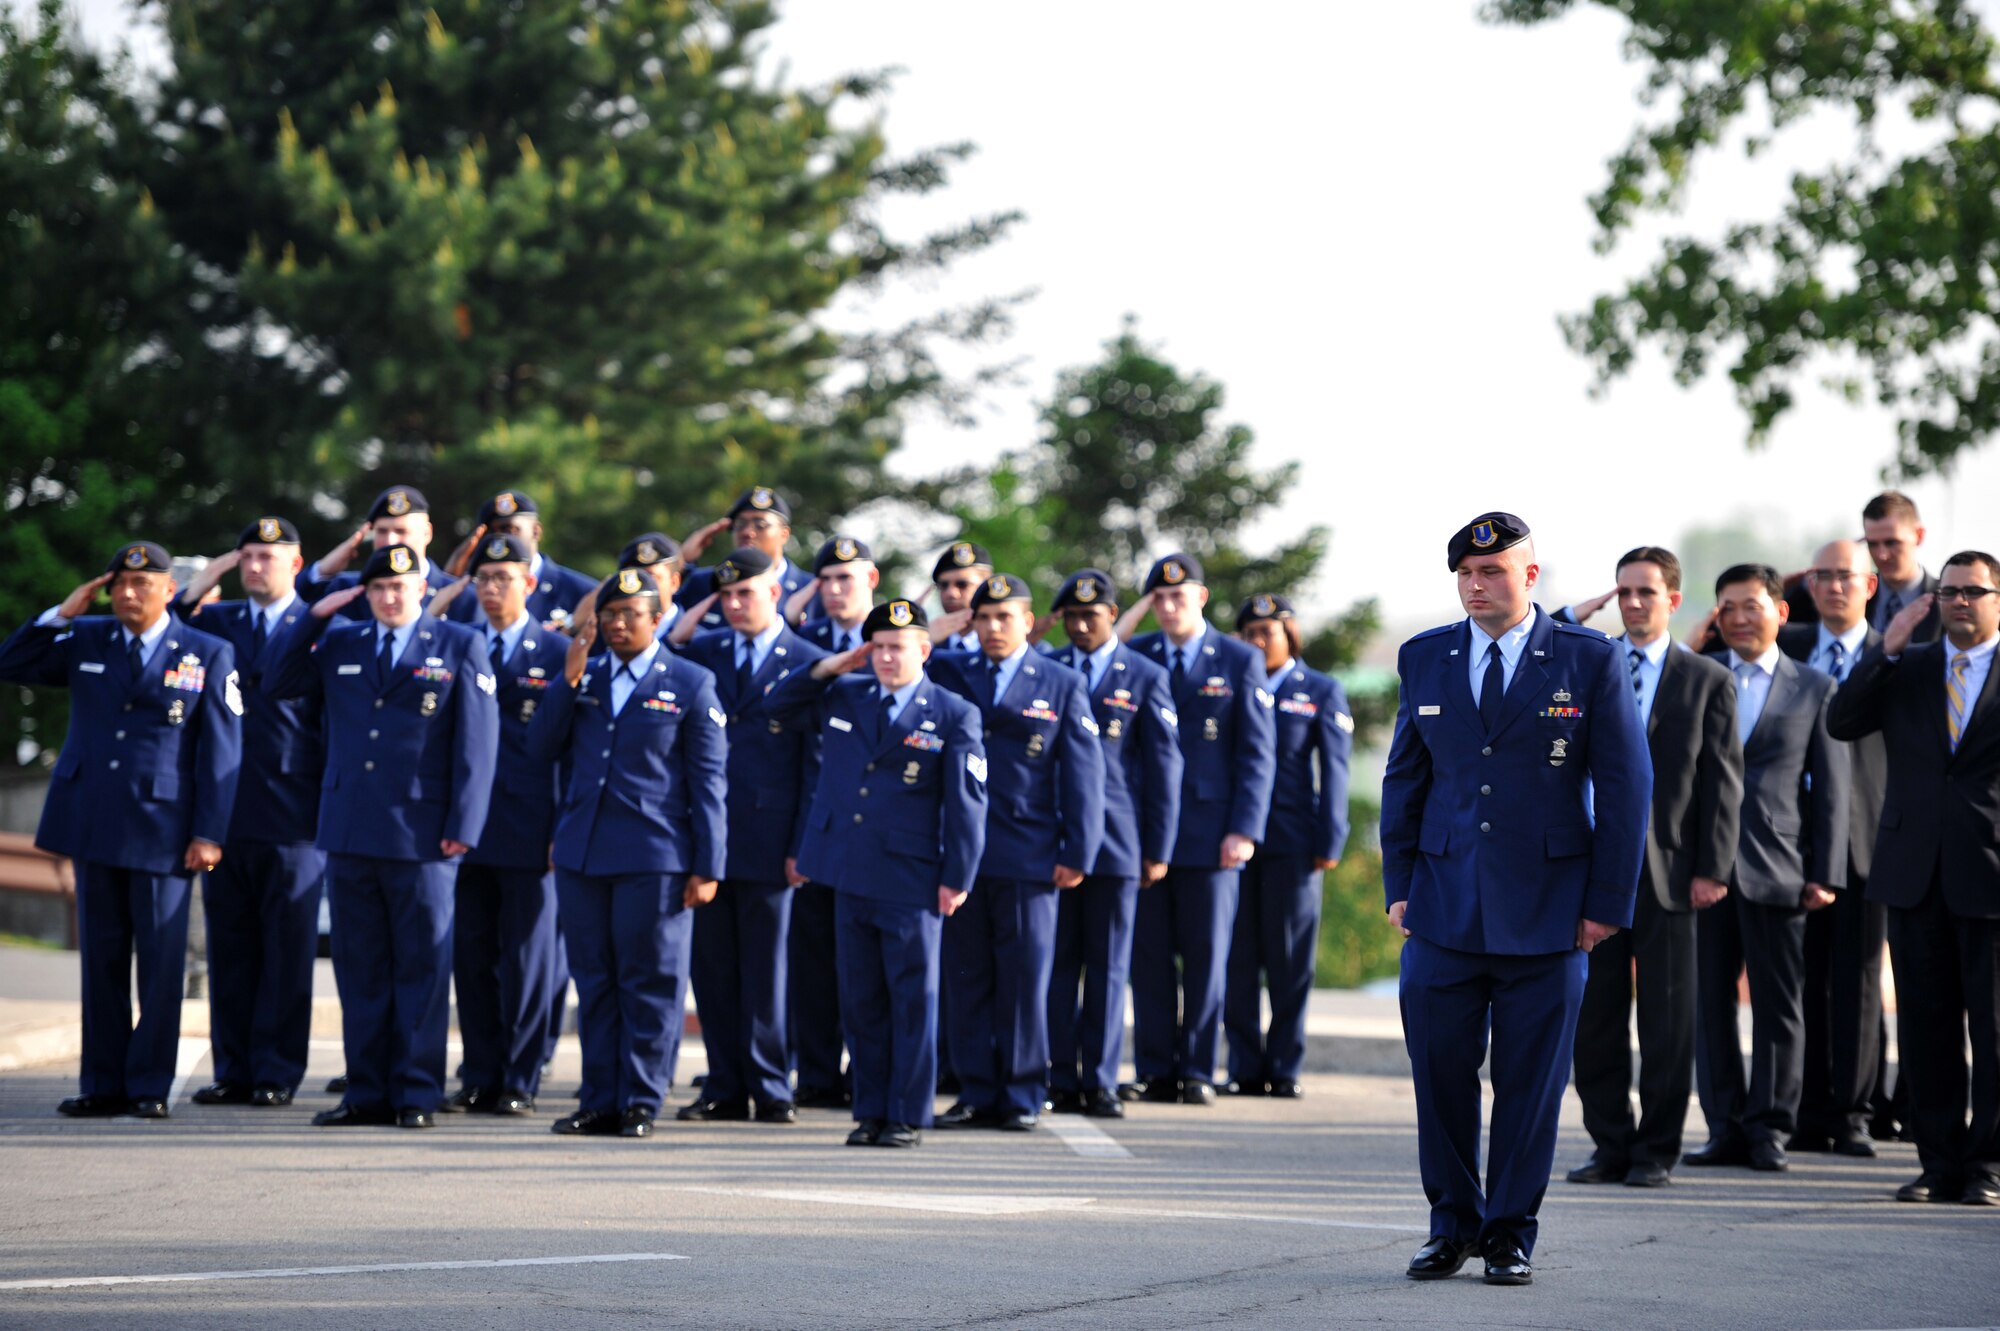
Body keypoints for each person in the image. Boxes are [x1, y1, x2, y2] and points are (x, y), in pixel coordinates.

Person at [1382, 512, 1649, 1287]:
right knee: (1439, 1074)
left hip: (1551, 910)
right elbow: (1407, 776)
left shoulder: (1586, 659)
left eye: (1493, 571)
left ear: (1530, 577)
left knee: (1530, 1087)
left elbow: (1627, 790)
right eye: (1465, 571)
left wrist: (1606, 903)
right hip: (1441, 908)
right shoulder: (1425, 656)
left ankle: (1507, 1232)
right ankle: (1450, 1223)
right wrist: (1400, 885)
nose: (1476, 584)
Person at [0, 542, 243, 1120]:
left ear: (168, 590)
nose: (129, 595)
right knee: (102, 961)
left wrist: (208, 832)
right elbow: (10, 663)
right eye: (120, 585)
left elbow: (220, 750)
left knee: (160, 965)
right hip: (93, 822)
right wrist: (63, 612)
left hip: (164, 829)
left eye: (142, 584)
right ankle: (102, 1083)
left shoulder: (207, 652)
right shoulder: (87, 638)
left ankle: (149, 1084)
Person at [259, 543, 500, 1128]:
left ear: (421, 588)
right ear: (364, 595)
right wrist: (315, 613)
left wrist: (463, 828)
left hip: (424, 837)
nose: (390, 597)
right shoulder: (342, 641)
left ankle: (415, 1093)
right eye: (378, 589)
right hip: (350, 830)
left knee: (420, 969)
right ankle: (365, 1091)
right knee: (360, 970)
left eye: (400, 587)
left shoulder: (458, 644)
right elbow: (276, 680)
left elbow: (478, 744)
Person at [765, 598, 987, 1148]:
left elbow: (968, 803)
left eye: (898, 648)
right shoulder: (845, 694)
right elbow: (776, 707)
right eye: (879, 648)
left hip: (912, 877)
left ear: (924, 651)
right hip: (848, 869)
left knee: (910, 999)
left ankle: (906, 1114)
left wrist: (957, 875)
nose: (887, 658)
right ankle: (869, 1110)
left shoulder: (953, 712)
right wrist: (827, 666)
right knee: (861, 999)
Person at [1555, 547, 1744, 1189]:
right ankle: (1610, 1144)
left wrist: (1713, 867)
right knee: (1596, 1017)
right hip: (1591, 870)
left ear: (1673, 600)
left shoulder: (1707, 679)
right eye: (1624, 591)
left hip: (1672, 873)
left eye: (1646, 592)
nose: (1633, 603)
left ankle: (1656, 1148)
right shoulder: (1587, 665)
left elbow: (1724, 783)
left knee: (1667, 1020)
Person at [525, 567, 727, 1139]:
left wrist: (708, 864)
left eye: (628, 615)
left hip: (655, 855)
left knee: (649, 981)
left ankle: (639, 1098)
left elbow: (708, 783)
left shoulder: (690, 682)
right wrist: (564, 682)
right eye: (607, 615)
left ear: (658, 619)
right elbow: (541, 747)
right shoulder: (583, 678)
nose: (615, 624)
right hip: (585, 852)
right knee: (595, 982)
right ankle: (599, 1098)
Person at [1828, 550, 2000, 1207]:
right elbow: (1842, 722)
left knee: (1993, 1030)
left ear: (1997, 600)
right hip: (1912, 873)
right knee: (1926, 1028)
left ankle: (1988, 1162)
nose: (1959, 601)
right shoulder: (1912, 665)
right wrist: (1888, 652)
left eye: (1974, 591)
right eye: (1949, 591)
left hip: (1989, 871)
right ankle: (1938, 1161)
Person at [1685, 564, 1850, 1174]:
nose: (1737, 617)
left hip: (1781, 868)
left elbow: (1832, 790)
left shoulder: (1813, 687)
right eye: (1726, 607)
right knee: (1709, 1003)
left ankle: (1770, 1129)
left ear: (1780, 612)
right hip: (1704, 870)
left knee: (1782, 1006)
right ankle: (1723, 1125)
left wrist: (1825, 872)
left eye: (1750, 605)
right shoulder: (1699, 680)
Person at [926, 574, 1104, 1132]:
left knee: (1027, 981)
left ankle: (1024, 1093)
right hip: (961, 855)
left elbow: (1083, 773)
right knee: (967, 976)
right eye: (984, 618)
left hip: (1030, 853)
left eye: (1006, 617)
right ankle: (978, 1090)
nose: (994, 627)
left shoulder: (1060, 681)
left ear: (1028, 622)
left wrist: (1079, 848)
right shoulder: (950, 674)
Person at [172, 518, 327, 1109]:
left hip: (295, 816)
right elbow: (170, 628)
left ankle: (277, 1072)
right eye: (247, 556)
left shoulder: (317, 620)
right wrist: (208, 574)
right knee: (231, 951)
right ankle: (233, 1068)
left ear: (296, 562)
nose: (256, 565)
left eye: (269, 555)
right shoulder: (218, 620)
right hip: (227, 813)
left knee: (287, 953)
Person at [679, 548, 827, 1124]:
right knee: (712, 969)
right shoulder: (704, 654)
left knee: (768, 970)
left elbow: (816, 764)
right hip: (709, 835)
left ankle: (769, 1084)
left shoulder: (808, 659)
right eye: (727, 596)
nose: (736, 605)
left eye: (747, 592)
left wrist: (803, 844)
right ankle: (723, 1083)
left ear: (775, 592)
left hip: (773, 838)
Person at [1121, 553, 1277, 1104]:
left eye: (1178, 596)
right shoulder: (1135, 655)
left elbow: (1257, 753)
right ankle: (1155, 1068)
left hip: (1213, 834)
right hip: (1145, 833)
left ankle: (1197, 1069)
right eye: (1158, 598)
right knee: (1149, 956)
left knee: (1208, 956)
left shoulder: (1237, 659)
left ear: (1201, 597)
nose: (1167, 606)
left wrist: (1244, 828)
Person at [430, 534, 571, 1117]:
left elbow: (569, 749)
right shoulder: (457, 644)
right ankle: (480, 1074)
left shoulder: (558, 651)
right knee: (473, 956)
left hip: (531, 826)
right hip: (465, 828)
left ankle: (521, 1076)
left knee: (528, 961)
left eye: (505, 579)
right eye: (484, 579)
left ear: (530, 585)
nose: (492, 590)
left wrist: (561, 828)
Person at [1042, 569, 1182, 1118]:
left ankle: (1099, 1080)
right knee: (1056, 964)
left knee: (1106, 964)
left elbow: (1164, 765)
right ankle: (1058, 1075)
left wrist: (1158, 847)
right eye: (1071, 617)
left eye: (1091, 615)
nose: (1080, 625)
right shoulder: (1047, 668)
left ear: (1114, 615)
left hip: (1119, 841)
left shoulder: (1144, 675)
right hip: (1054, 839)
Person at [1779, 540, 1890, 1158]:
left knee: (1857, 978)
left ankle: (1851, 1112)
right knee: (1800, 979)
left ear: (1868, 585)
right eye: (1822, 576)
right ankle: (1805, 1108)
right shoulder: (1788, 646)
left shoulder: (1895, 655)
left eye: (1845, 576)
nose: (1833, 587)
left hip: (1869, 836)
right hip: (1791, 836)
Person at [1223, 593, 1352, 1099]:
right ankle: (1244, 1066)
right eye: (1249, 633)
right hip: (1234, 841)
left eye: (1268, 632)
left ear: (1288, 633)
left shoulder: (1318, 688)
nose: (1258, 641)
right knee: (1237, 960)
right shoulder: (1231, 687)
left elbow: (1335, 770)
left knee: (1290, 960)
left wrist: (1331, 837)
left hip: (1295, 843)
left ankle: (1284, 1066)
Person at [790, 535, 880, 1107]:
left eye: (846, 578)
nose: (835, 589)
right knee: (815, 962)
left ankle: (868, 1076)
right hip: (816, 825)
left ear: (872, 581)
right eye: (825, 580)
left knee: (871, 967)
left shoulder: (900, 638)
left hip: (879, 830)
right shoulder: (805, 645)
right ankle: (818, 1075)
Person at [442, 491, 598, 632]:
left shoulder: (580, 592)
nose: (500, 540)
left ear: (536, 531)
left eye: (509, 529)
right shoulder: (470, 591)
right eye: (490, 533)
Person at [299, 485, 455, 621]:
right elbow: (290, 619)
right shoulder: (346, 589)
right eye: (382, 531)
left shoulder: (458, 594)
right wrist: (322, 571)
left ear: (426, 533)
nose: (390, 541)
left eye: (401, 531)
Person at [675, 487, 813, 634]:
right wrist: (683, 563)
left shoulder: (811, 588)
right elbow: (660, 619)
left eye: (760, 525)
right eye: (740, 525)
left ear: (784, 534)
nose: (747, 532)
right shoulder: (705, 583)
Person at [930, 542, 992, 654]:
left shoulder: (1004, 645)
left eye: (962, 584)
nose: (951, 593)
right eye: (943, 585)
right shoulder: (928, 647)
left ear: (985, 586)